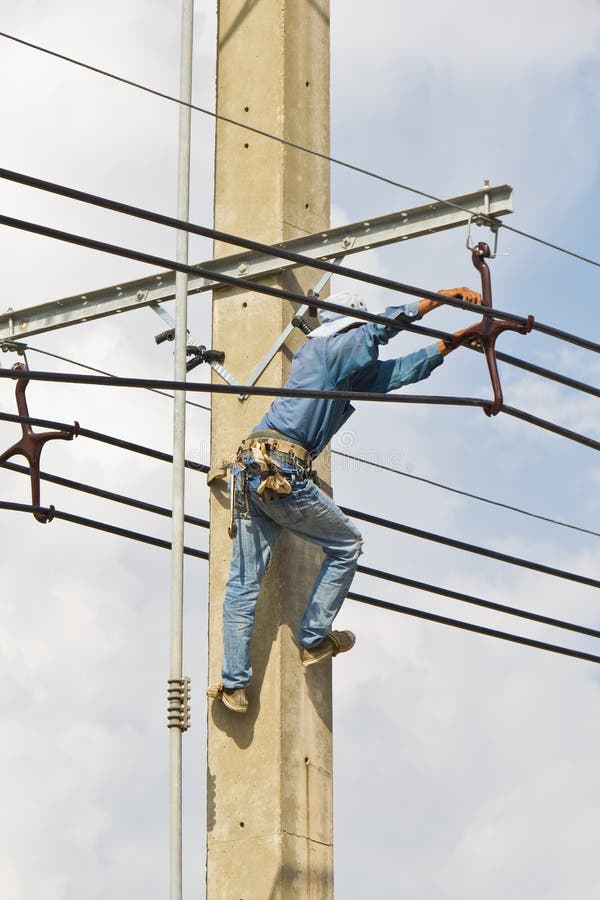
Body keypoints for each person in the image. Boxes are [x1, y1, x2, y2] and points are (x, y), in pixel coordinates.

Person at [207, 287, 482, 713]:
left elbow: (401, 372)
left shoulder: (340, 370)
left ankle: (234, 686)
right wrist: (443, 297)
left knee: (244, 584)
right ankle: (314, 637)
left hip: (252, 470)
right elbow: (381, 330)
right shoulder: (332, 348)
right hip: (280, 469)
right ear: (348, 327)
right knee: (346, 543)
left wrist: (458, 339)